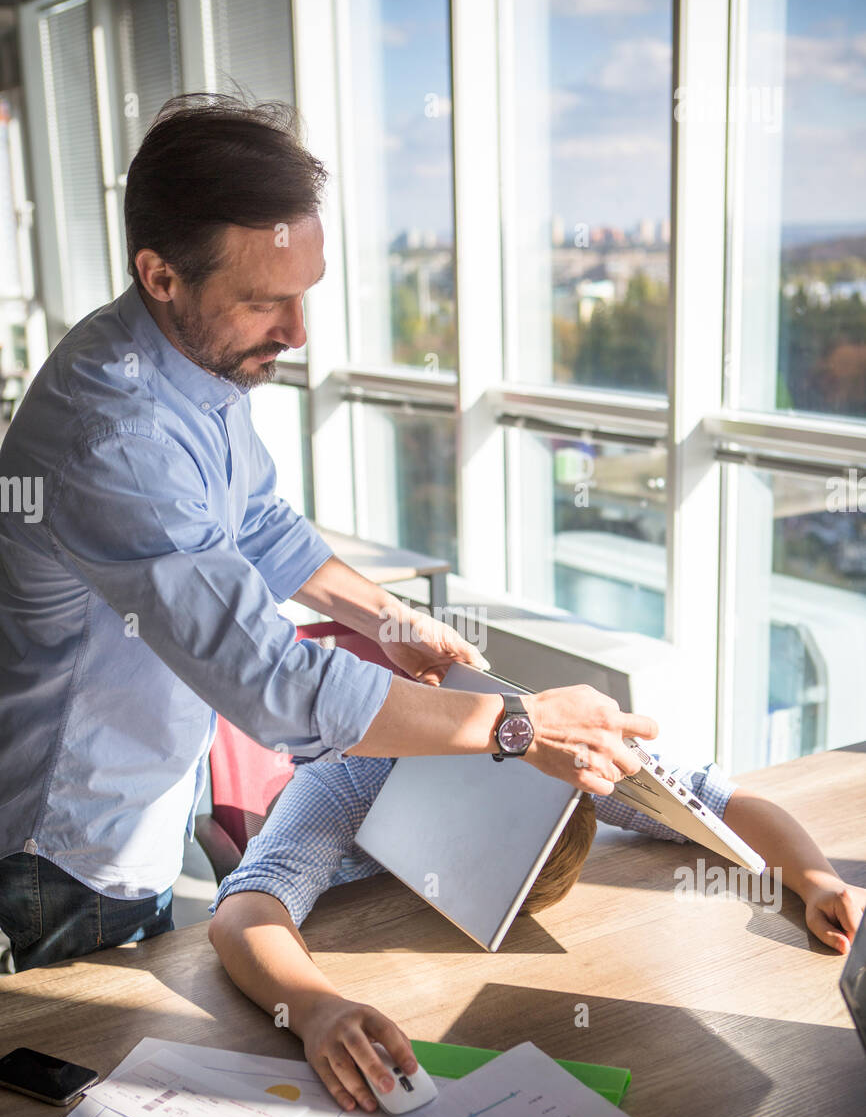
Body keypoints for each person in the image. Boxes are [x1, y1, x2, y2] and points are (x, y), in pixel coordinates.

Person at [0, 92, 656, 973]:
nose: (299, 334)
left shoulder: (184, 360)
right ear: (161, 275)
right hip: (68, 843)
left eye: (304, 298)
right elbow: (272, 683)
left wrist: (391, 619)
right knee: (84, 1075)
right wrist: (518, 725)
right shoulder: (115, 438)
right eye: (267, 304)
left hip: (138, 784)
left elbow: (261, 523)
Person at [207, 751, 865, 1114]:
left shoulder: (558, 767)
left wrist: (818, 881)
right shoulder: (347, 780)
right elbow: (242, 911)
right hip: (364, 972)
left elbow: (721, 807)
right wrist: (317, 1009)